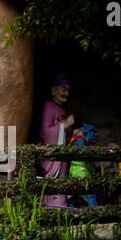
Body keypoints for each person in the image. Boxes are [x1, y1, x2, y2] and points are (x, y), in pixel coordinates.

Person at [37, 73, 74, 208]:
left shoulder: (61, 109)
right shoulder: (48, 106)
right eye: (63, 89)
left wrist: (71, 131)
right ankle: (52, 206)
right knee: (53, 183)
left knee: (63, 182)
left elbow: (66, 133)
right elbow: (46, 131)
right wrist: (65, 125)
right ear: (53, 90)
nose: (67, 93)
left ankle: (61, 205)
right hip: (53, 157)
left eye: (68, 90)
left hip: (62, 155)